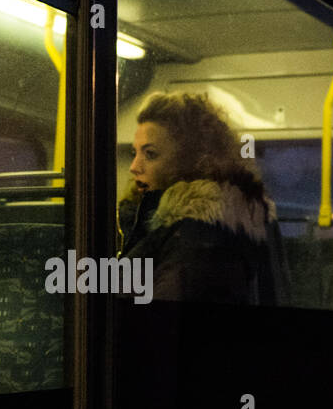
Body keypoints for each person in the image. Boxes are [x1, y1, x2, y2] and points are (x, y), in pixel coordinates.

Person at [118, 91, 278, 304]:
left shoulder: (198, 238)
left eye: (150, 154)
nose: (134, 167)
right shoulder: (156, 224)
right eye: (134, 153)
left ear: (190, 161)